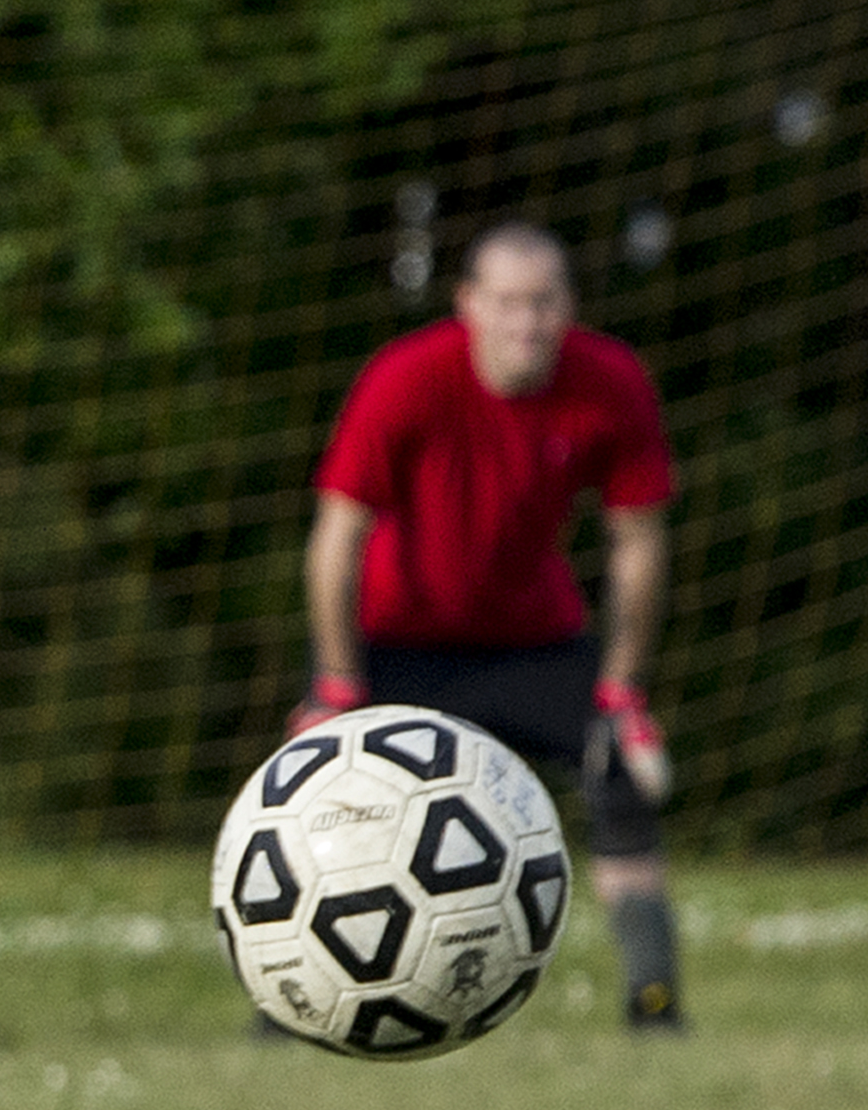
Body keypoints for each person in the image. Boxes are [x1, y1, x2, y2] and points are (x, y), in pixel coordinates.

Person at [295, 219, 688, 1031]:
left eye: (543, 302)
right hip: (394, 642)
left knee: (619, 766)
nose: (526, 322)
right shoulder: (406, 377)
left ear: (568, 306)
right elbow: (338, 534)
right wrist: (336, 684)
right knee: (316, 801)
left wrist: (622, 690)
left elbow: (639, 540)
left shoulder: (609, 381)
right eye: (507, 302)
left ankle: (654, 1004)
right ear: (468, 303)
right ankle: (291, 1008)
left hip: (530, 641)